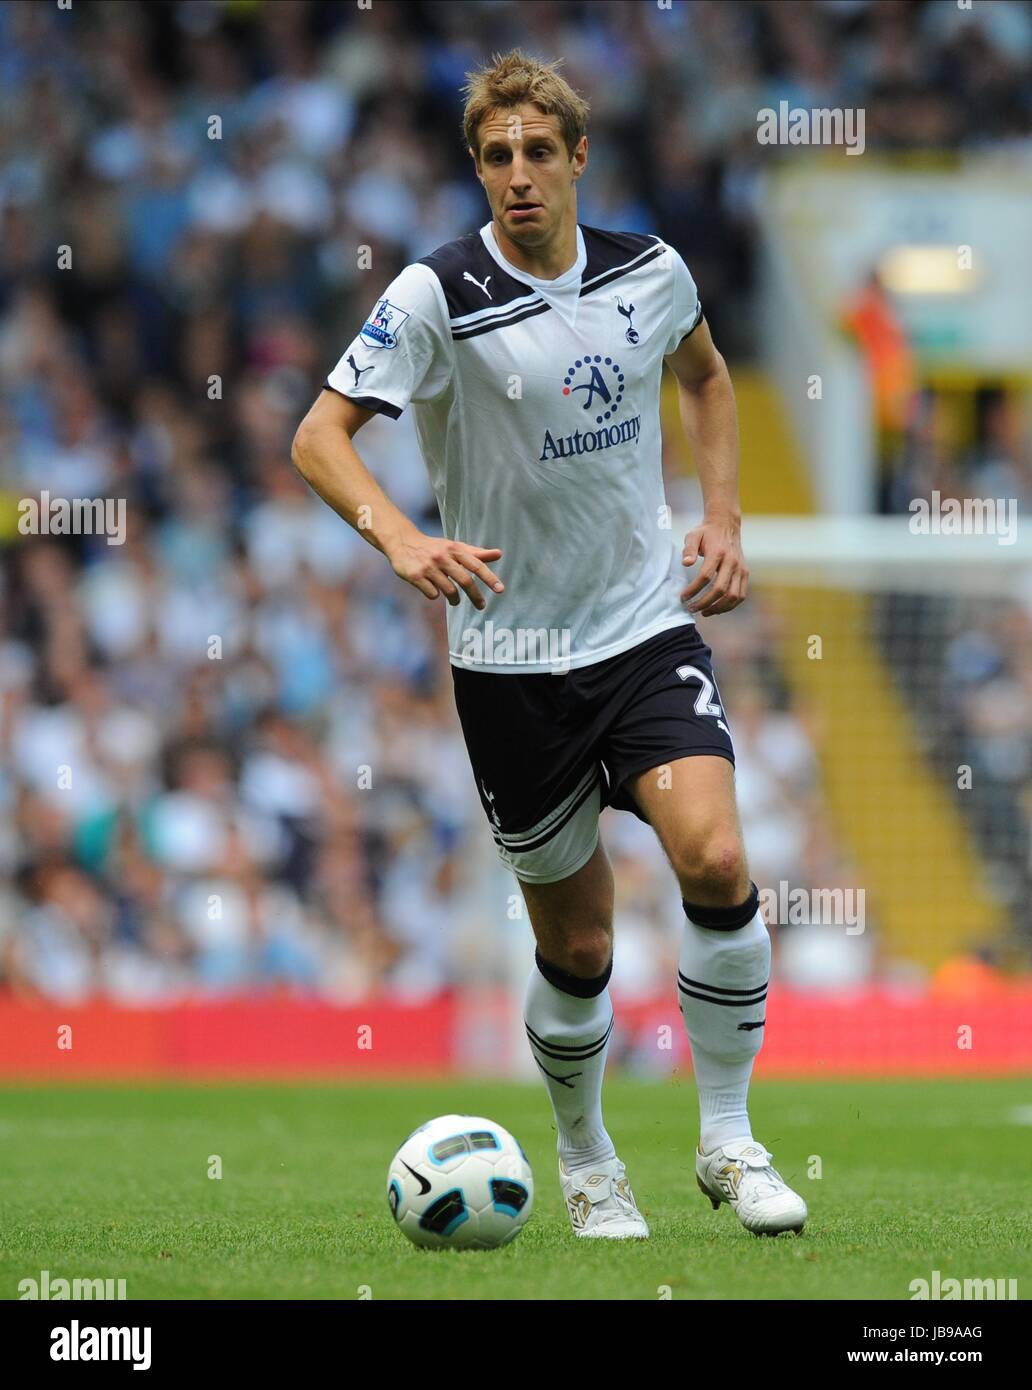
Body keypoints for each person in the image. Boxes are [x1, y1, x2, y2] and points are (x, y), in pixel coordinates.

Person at [292, 49, 806, 1239]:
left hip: (640, 630)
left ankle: (728, 1140)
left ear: (579, 157)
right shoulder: (434, 293)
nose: (516, 175)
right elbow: (321, 437)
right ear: (477, 169)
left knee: (718, 859)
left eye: (536, 152)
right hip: (511, 662)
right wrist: (398, 538)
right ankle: (585, 1156)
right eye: (493, 156)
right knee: (577, 940)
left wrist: (722, 516)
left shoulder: (652, 271)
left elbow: (710, 375)